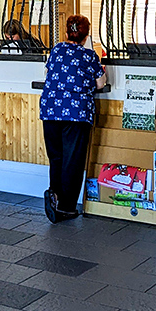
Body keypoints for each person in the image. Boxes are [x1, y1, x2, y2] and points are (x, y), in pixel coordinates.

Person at [39, 14, 106, 223]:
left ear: (67, 32)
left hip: (50, 110)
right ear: (86, 36)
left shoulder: (57, 49)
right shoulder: (89, 56)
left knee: (56, 158)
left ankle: (54, 197)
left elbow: (48, 72)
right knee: (72, 161)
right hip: (75, 113)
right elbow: (100, 84)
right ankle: (67, 207)